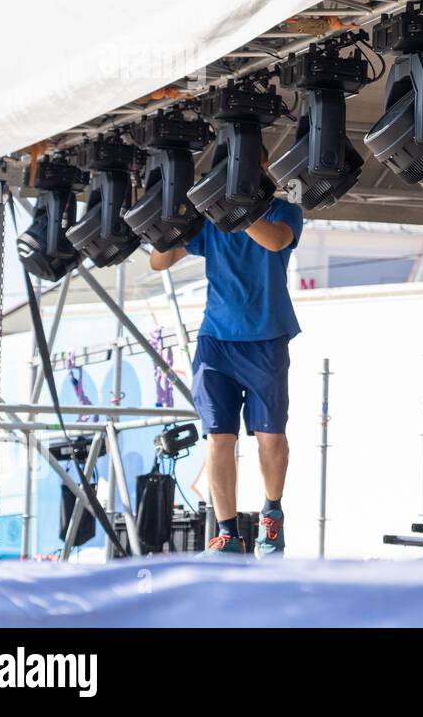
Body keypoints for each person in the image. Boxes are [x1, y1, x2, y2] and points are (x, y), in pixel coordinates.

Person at [149, 144, 303, 557]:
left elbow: (275, 243)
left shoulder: (283, 209)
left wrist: (233, 206)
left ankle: (271, 514)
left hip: (266, 339)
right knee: (218, 437)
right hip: (216, 342)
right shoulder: (210, 222)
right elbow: (159, 262)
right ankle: (227, 531)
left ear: (264, 167)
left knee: (270, 437)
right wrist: (170, 221)